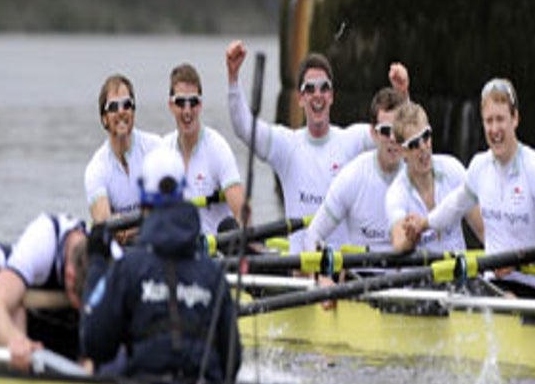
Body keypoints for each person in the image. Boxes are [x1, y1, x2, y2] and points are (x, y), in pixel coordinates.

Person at [80, 143, 240, 384]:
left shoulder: (128, 268)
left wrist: (97, 266)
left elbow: (94, 343)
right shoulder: (212, 273)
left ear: (144, 203)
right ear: (184, 197)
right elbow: (233, 362)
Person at [225, 40, 409, 250]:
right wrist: (233, 78)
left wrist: (403, 98)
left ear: (331, 96)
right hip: (300, 270)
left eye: (324, 88)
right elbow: (243, 127)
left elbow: (399, 137)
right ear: (301, 99)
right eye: (310, 89)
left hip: (340, 271)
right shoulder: (286, 146)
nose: (317, 95)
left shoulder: (351, 140)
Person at [408, 78, 535, 295]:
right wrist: (423, 224)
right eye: (489, 121)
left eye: (500, 119)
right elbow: (454, 206)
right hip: (492, 285)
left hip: (531, 286)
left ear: (515, 119)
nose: (494, 129)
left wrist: (515, 263)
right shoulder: (480, 166)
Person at [301, 86, 407, 254]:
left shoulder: (419, 179)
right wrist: (323, 278)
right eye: (386, 131)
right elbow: (312, 236)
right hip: (361, 275)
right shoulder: (352, 177)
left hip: (408, 277)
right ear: (373, 133)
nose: (393, 139)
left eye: (399, 131)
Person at [0, 211, 88, 369]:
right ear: (70, 275)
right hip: (34, 332)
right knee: (13, 308)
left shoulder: (109, 251)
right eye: (79, 299)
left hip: (74, 337)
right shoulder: (41, 240)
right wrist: (16, 342)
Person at [161, 63, 244, 238]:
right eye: (180, 102)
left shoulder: (217, 148)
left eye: (193, 102)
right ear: (170, 105)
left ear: (201, 104)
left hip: (214, 256)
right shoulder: (162, 150)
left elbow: (240, 211)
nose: (187, 111)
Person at [84, 72, 162, 239]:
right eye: (113, 107)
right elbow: (106, 224)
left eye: (126, 104)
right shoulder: (96, 168)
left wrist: (127, 227)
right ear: (104, 119)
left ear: (133, 111)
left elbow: (171, 209)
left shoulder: (156, 148)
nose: (121, 112)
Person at [386, 101, 470, 254]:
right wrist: (411, 238)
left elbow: (482, 229)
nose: (424, 148)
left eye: (426, 136)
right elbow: (398, 244)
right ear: (402, 151)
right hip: (423, 276)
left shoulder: (454, 169)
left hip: (461, 275)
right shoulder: (396, 193)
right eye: (414, 144)